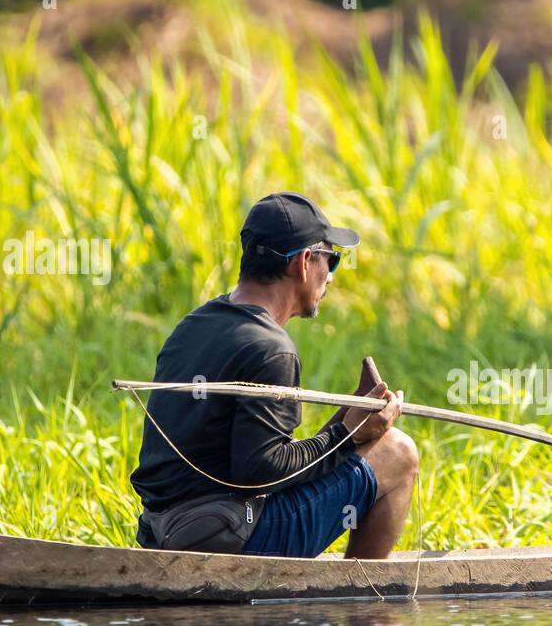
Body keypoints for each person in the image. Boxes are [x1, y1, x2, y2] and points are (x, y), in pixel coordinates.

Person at [129, 191, 418, 559]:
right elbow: (260, 471)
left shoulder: (193, 325)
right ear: (303, 262)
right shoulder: (272, 349)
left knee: (378, 446)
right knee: (398, 452)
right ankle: (363, 604)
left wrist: (346, 421)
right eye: (331, 261)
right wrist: (346, 435)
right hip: (226, 535)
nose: (329, 276)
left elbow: (248, 459)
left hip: (162, 529)